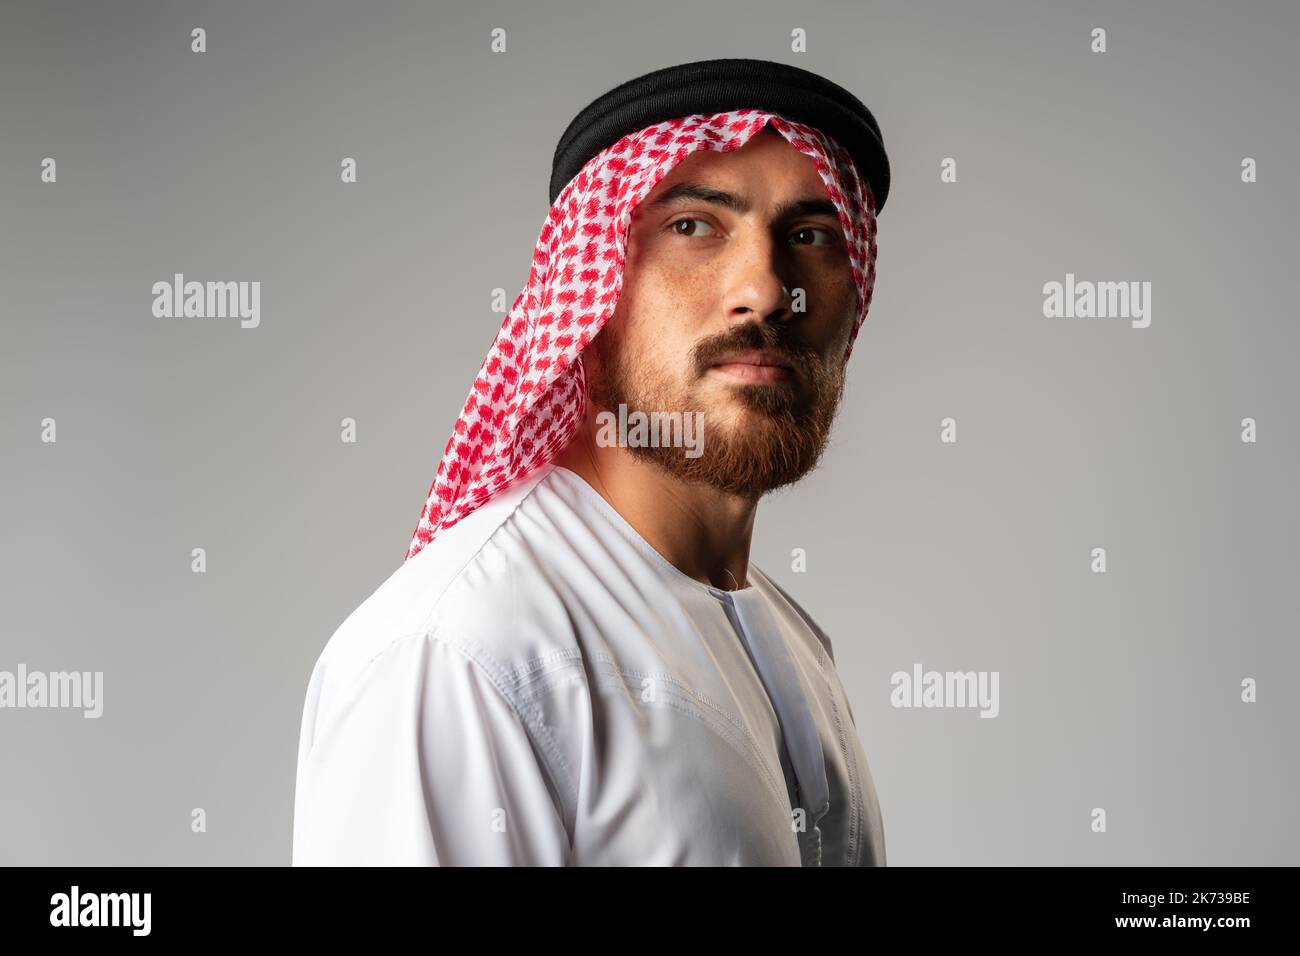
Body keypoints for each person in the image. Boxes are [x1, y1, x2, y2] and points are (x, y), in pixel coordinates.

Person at [293, 57, 891, 866]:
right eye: (694, 226)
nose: (765, 290)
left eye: (811, 236)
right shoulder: (464, 651)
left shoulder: (794, 644)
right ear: (593, 288)